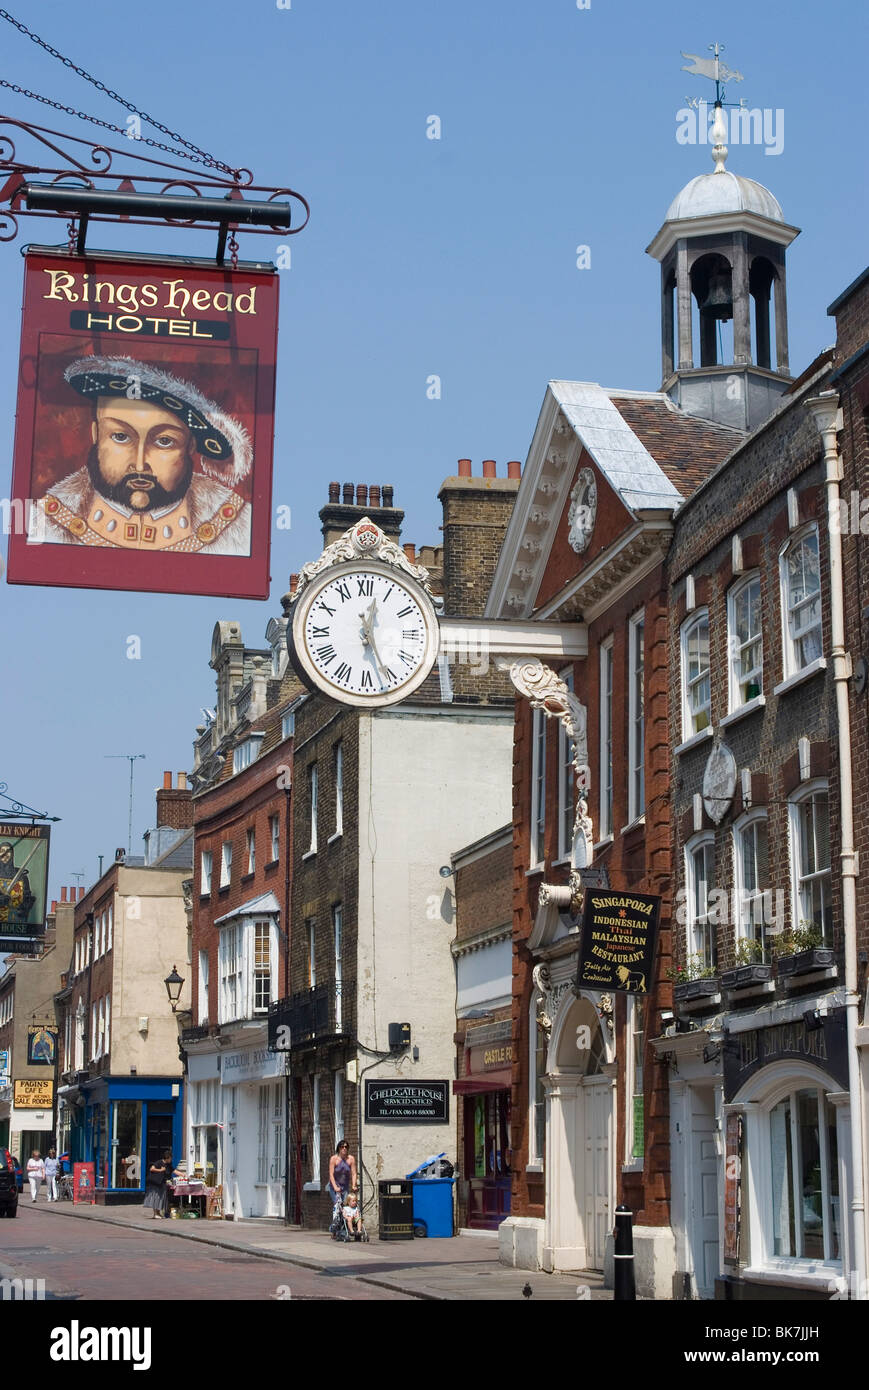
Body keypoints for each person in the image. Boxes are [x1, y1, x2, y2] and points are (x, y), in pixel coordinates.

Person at [31, 356, 252, 556]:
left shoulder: (238, 526)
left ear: (190, 445)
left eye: (164, 441)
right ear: (96, 434)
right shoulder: (45, 522)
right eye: (120, 436)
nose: (139, 464)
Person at [0, 840, 35, 925]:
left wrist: (23, 908)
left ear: (12, 854)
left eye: (8, 851)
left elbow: (27, 899)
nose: (5, 854)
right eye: (2, 851)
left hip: (15, 920)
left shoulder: (21, 876)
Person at [328, 1139, 357, 1228]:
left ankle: (345, 1227)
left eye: (346, 1147)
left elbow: (354, 1173)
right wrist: (335, 1187)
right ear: (339, 1148)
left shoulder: (351, 1159)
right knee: (337, 1206)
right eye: (342, 1147)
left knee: (346, 1207)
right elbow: (331, 1174)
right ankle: (334, 1228)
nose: (344, 1148)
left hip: (345, 1187)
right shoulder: (334, 1159)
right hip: (334, 1187)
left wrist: (353, 1185)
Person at [143, 1151, 172, 1220]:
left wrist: (183, 1175)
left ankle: (158, 1213)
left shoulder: (168, 1165)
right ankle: (155, 1214)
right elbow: (151, 1169)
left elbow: (174, 1171)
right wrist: (161, 1170)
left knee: (160, 1199)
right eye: (170, 1158)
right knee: (156, 1198)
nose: (171, 1159)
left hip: (162, 1184)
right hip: (156, 1184)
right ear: (167, 1158)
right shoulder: (159, 1162)